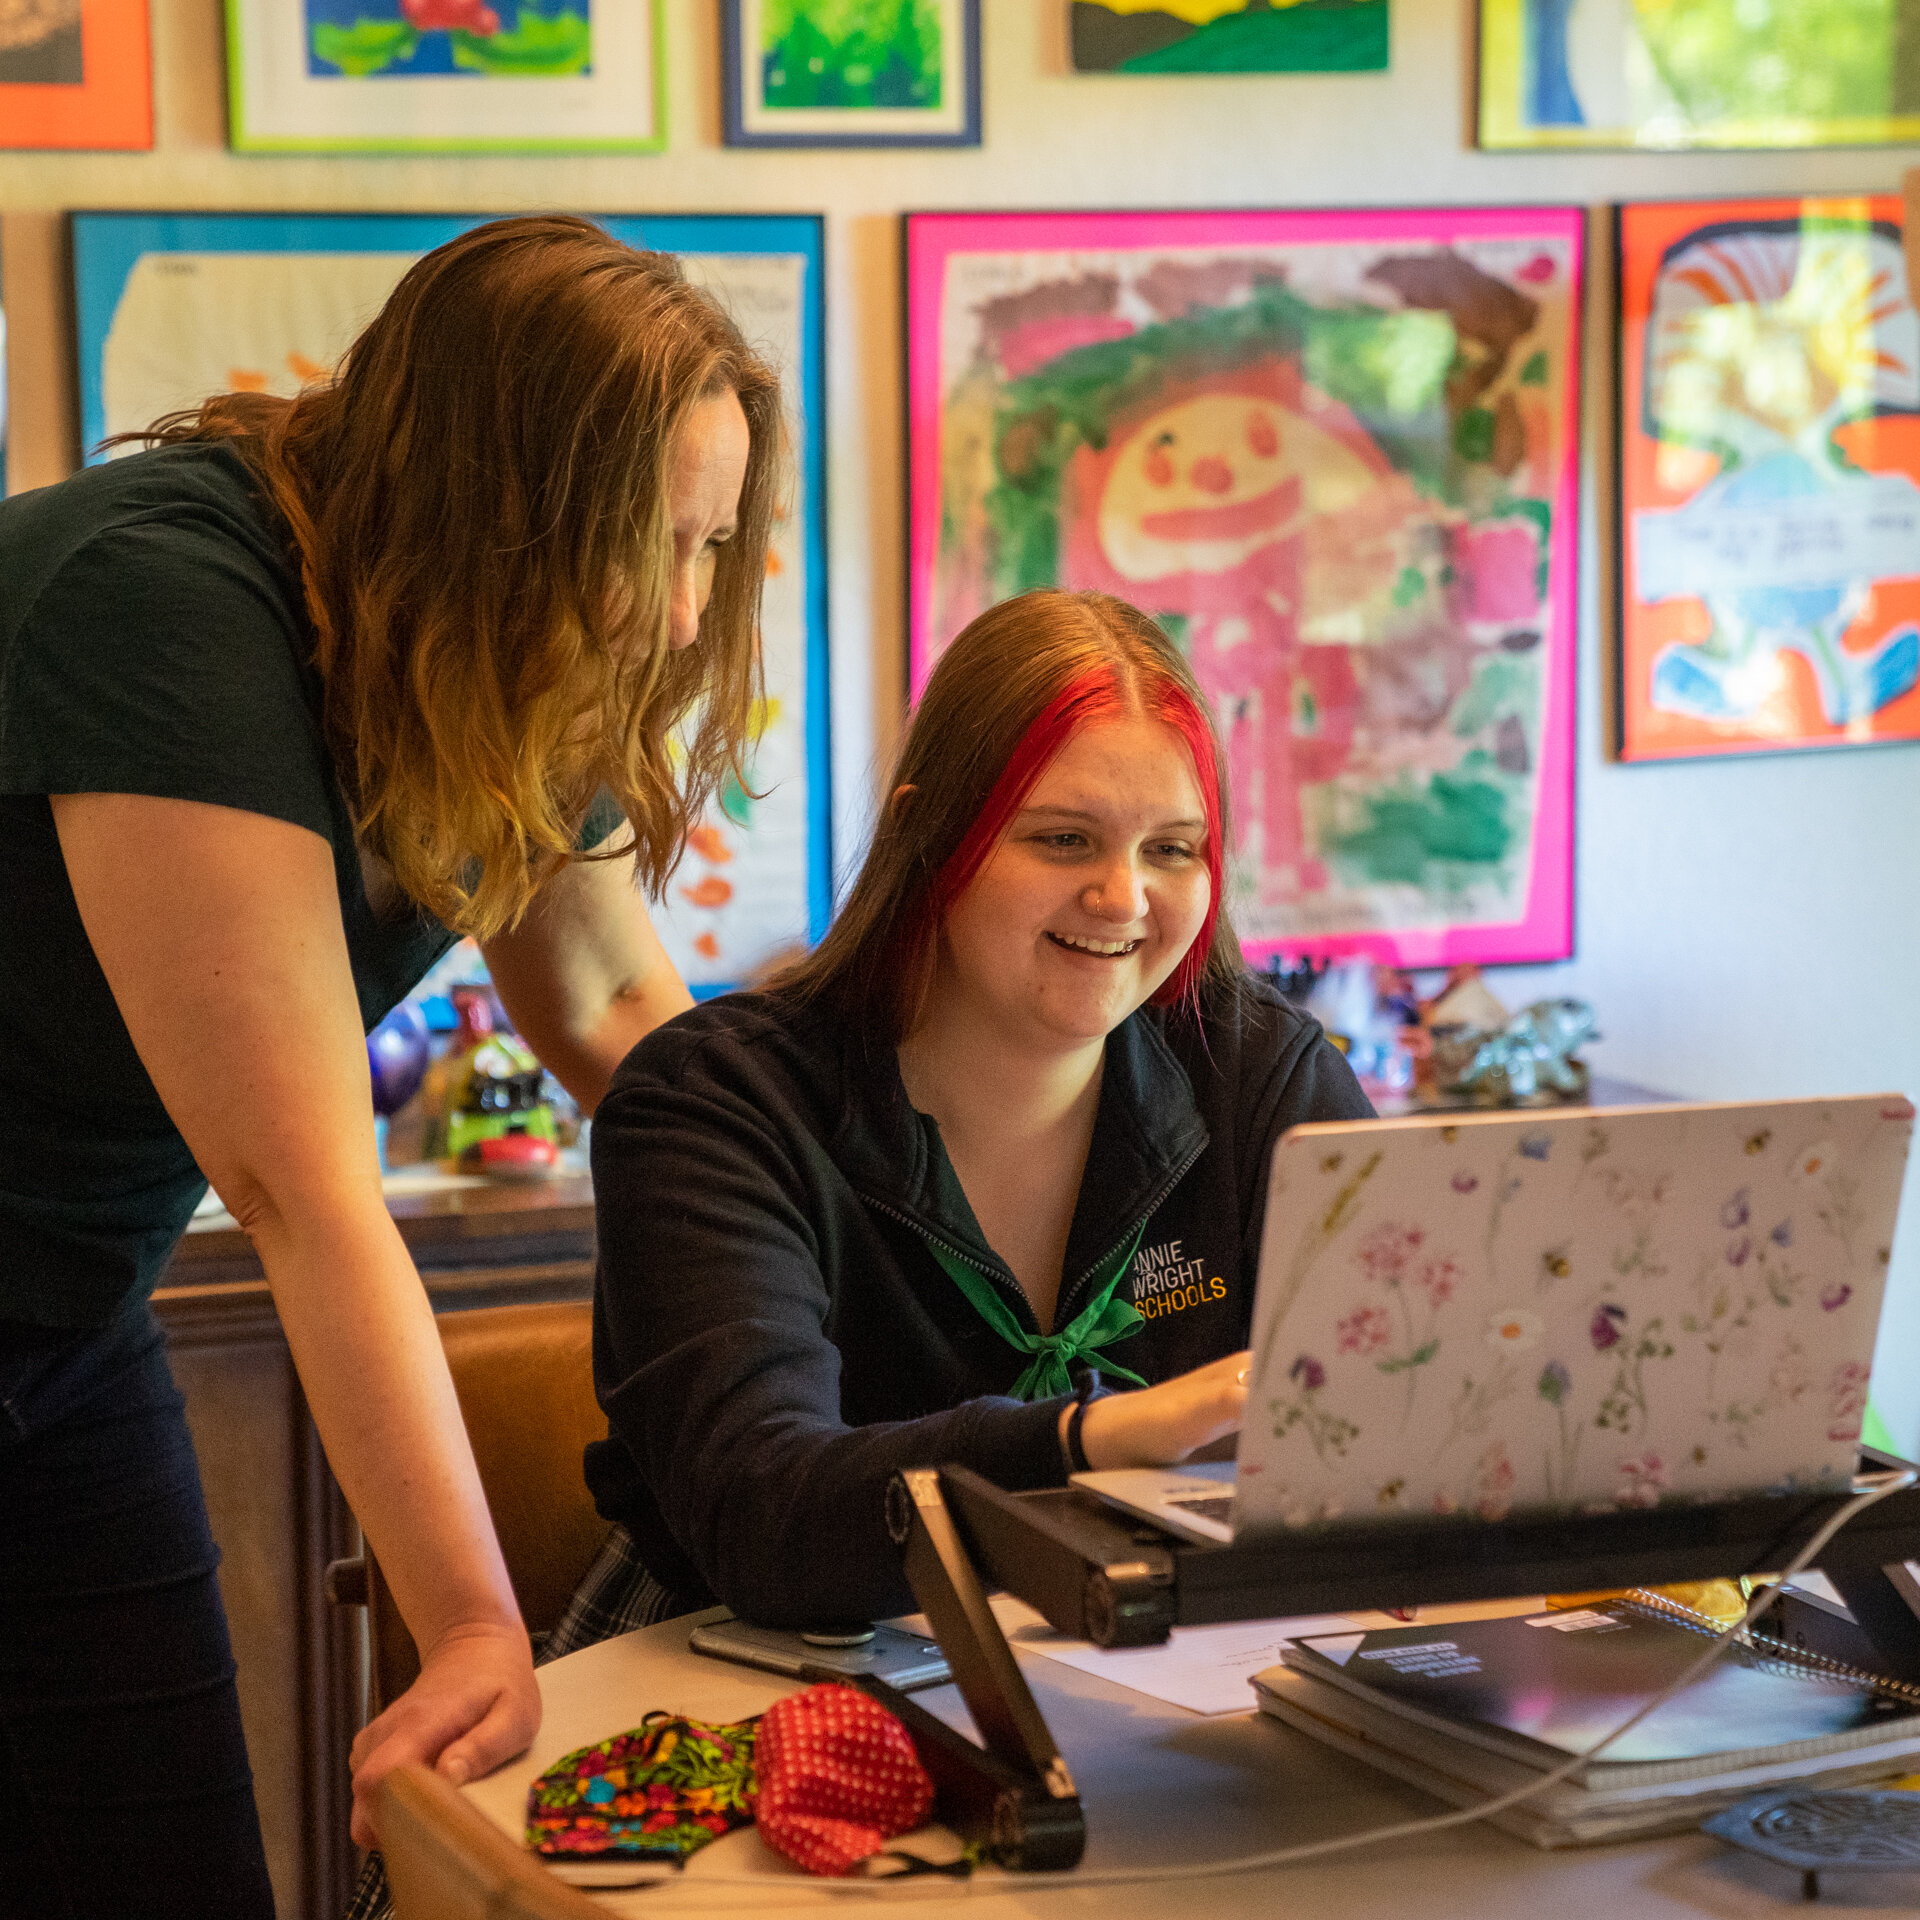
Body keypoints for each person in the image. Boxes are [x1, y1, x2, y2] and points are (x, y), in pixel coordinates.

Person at [0, 215, 782, 1917]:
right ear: (486, 507)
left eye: (715, 548)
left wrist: (890, 1295)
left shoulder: (505, 659)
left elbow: (625, 1031)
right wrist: (478, 1626)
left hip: (55, 1320)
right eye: (644, 543)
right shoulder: (163, 600)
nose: (677, 609)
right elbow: (299, 1185)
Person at [560, 588, 1374, 1642]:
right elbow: (765, 1523)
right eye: (1065, 839)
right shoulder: (715, 1103)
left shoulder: (1261, 1072)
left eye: (1173, 849)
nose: (1124, 898)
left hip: (1133, 1669)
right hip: (725, 1670)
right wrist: (1096, 1438)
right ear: (926, 837)